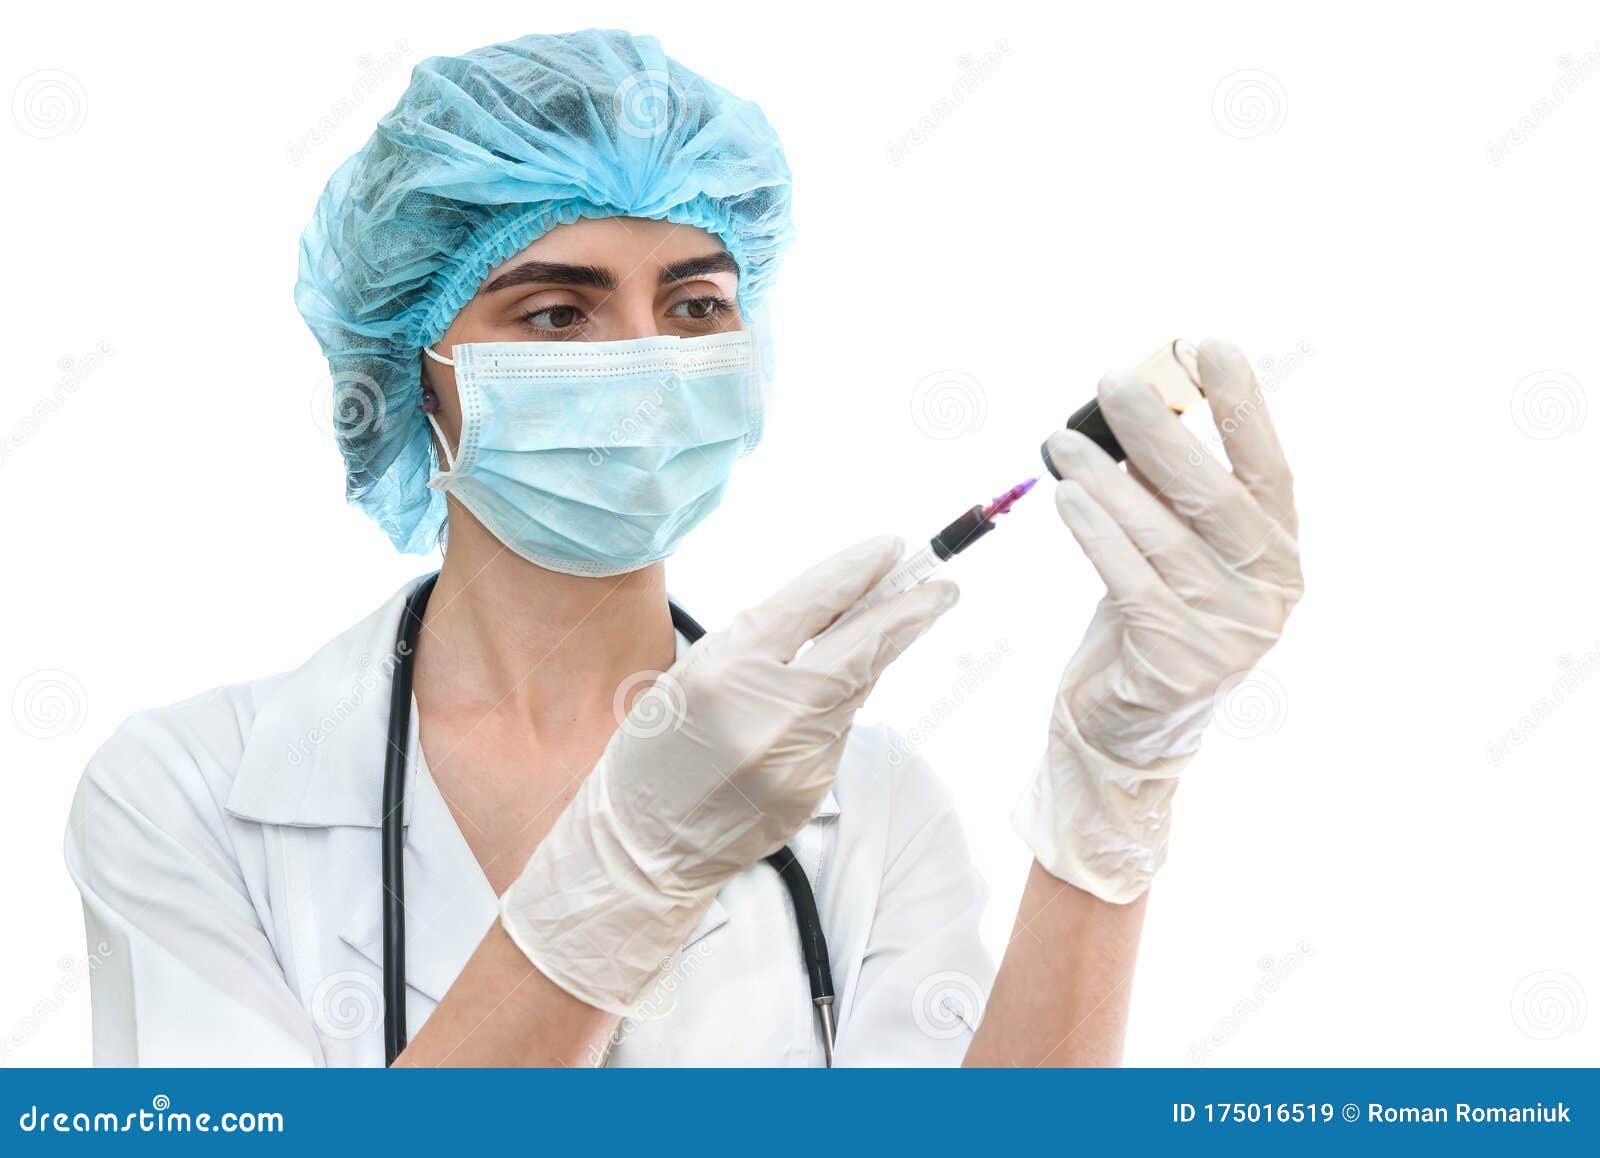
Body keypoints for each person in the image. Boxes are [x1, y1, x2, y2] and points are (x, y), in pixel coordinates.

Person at [63, 29, 1301, 1067]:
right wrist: (626, 871)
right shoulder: (191, 790)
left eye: (698, 305)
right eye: (557, 311)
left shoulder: (866, 805)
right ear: (403, 377)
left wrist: (1113, 796)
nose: (648, 362)